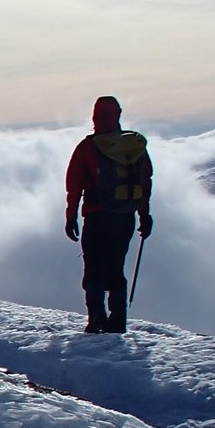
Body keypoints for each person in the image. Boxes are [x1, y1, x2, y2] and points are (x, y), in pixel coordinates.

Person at [64, 96, 153, 333]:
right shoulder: (133, 147)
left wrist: (71, 216)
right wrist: (145, 215)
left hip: (96, 216)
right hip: (125, 217)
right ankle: (118, 321)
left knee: (93, 268)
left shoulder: (88, 147)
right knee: (116, 266)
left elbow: (74, 185)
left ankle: (96, 320)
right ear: (119, 115)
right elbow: (145, 182)